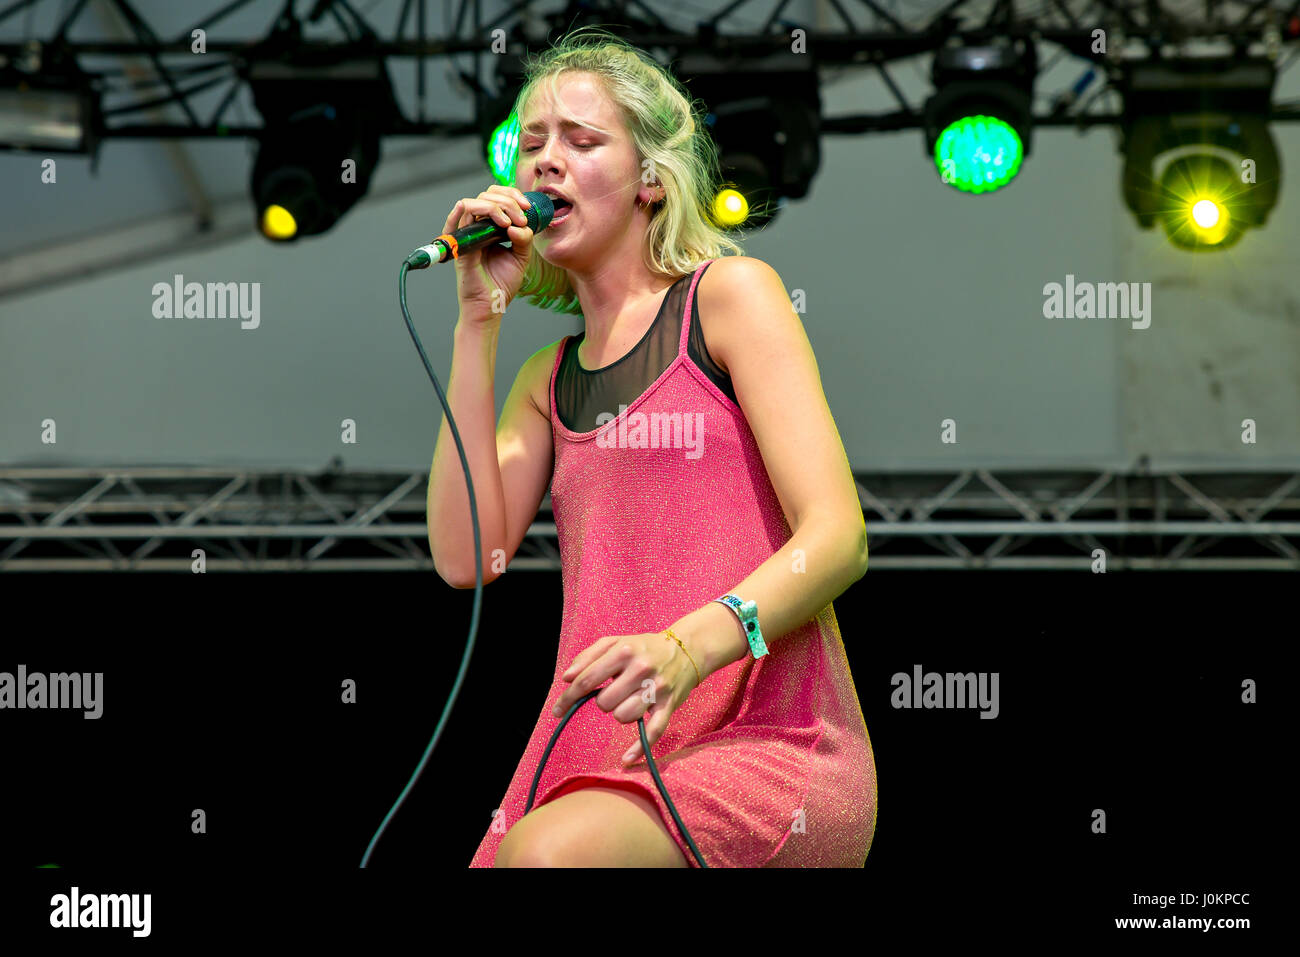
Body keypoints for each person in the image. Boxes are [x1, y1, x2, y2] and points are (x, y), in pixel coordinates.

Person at [427, 27, 876, 867]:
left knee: (550, 856)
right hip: (600, 752)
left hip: (765, 736)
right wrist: (476, 322)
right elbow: (464, 555)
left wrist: (686, 646)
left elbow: (839, 535)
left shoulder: (730, 297)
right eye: (530, 144)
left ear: (651, 182)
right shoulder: (544, 378)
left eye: (581, 140)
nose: (544, 164)